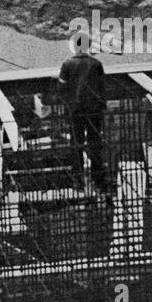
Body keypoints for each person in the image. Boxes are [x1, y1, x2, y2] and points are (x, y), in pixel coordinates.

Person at [59, 38, 109, 194]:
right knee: (95, 142)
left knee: (76, 144)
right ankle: (98, 179)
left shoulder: (67, 65)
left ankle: (78, 179)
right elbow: (102, 87)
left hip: (75, 111)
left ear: (74, 47)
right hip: (94, 110)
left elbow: (61, 88)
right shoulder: (96, 64)